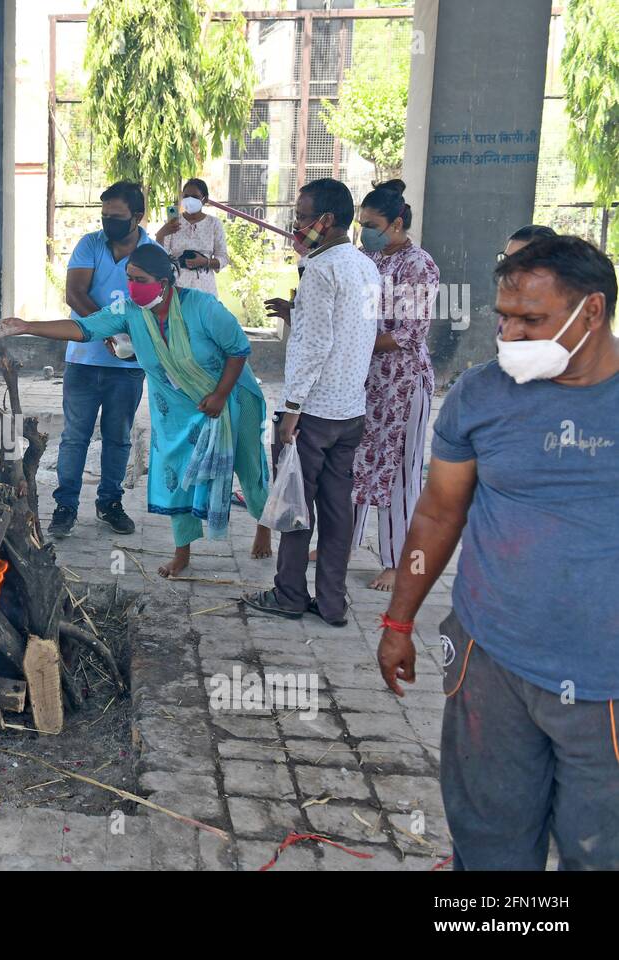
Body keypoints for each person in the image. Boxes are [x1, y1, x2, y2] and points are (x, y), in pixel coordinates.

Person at [377, 235, 619, 870]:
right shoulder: (481, 396)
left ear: (591, 312)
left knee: (600, 852)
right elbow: (437, 512)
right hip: (490, 667)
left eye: (530, 320)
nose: (508, 335)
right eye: (503, 317)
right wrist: (398, 621)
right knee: (489, 847)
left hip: (606, 691)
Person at [0, 244, 268, 576]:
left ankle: (264, 524)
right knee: (175, 472)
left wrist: (221, 394)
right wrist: (26, 326)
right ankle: (182, 553)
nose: (133, 286)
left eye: (140, 279)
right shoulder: (130, 310)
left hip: (231, 398)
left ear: (164, 281)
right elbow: (84, 328)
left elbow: (238, 350)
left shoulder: (204, 308)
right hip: (175, 408)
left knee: (247, 466)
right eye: (129, 278)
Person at [243, 178, 379, 627]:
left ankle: (288, 595)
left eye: (302, 216)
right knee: (339, 510)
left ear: (327, 220)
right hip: (349, 410)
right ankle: (333, 602)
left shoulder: (320, 269)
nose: (296, 225)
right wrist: (295, 312)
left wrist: (293, 408)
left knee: (294, 505)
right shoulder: (364, 266)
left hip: (313, 412)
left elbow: (316, 345)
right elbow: (350, 333)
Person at [350, 180, 438, 591]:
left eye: (372, 224)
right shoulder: (368, 256)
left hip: (403, 384)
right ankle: (343, 542)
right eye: (361, 223)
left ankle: (397, 560)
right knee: (356, 460)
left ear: (397, 223)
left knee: (399, 472)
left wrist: (355, 342)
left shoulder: (417, 265)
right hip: (367, 380)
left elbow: (408, 334)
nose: (364, 230)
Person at [52, 180, 153, 539]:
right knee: (74, 437)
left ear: (138, 216)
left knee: (118, 438)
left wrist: (127, 337)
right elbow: (74, 293)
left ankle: (110, 502)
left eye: (117, 216)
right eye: (104, 215)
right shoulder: (90, 244)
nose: (107, 222)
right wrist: (108, 331)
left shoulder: (150, 253)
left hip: (127, 366)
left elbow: (155, 306)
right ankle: (65, 506)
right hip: (82, 359)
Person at [156, 178, 229, 298]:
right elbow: (160, 257)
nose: (189, 200)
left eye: (195, 197)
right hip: (178, 286)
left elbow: (224, 257)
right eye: (186, 196)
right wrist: (161, 234)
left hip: (204, 288)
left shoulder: (214, 224)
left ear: (204, 199)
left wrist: (206, 262)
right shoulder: (173, 222)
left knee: (203, 315)